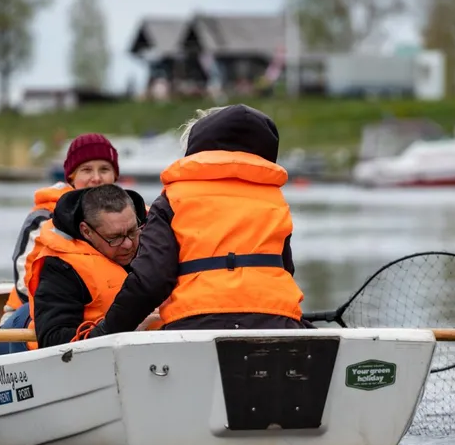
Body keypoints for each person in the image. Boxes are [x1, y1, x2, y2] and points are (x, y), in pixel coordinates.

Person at [84, 104, 308, 339]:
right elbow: (284, 269)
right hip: (276, 322)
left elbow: (150, 282)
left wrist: (104, 332)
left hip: (196, 324)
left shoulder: (173, 198)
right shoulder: (274, 201)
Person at [0, 133, 120, 347]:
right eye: (87, 170)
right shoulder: (43, 216)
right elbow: (24, 282)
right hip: (29, 315)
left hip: (97, 317)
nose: (96, 178)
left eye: (104, 169)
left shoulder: (129, 216)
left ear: (115, 177)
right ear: (71, 176)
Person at [21, 183, 156, 351]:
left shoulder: (156, 238)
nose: (128, 244)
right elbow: (52, 340)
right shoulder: (61, 267)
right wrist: (117, 326)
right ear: (86, 231)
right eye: (114, 238)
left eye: (133, 231)